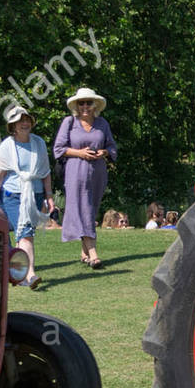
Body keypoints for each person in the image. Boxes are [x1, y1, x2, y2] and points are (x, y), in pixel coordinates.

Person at [0, 104, 54, 289]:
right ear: (13, 126)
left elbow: (45, 172)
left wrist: (49, 197)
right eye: (20, 121)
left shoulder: (38, 143)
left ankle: (17, 274)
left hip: (35, 195)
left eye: (26, 120)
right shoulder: (6, 146)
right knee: (26, 234)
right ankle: (30, 274)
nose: (24, 123)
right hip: (13, 195)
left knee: (22, 235)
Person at [54, 86, 117, 269]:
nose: (85, 106)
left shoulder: (102, 124)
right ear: (76, 105)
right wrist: (79, 153)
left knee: (91, 209)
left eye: (88, 102)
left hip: (97, 172)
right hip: (76, 171)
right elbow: (58, 149)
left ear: (94, 104)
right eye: (81, 103)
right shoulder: (69, 122)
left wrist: (104, 152)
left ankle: (84, 252)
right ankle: (94, 254)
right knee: (83, 210)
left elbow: (112, 147)